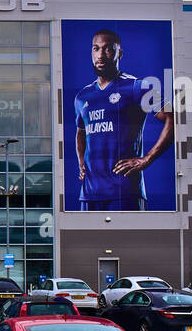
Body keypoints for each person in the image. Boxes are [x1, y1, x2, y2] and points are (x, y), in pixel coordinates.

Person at [73, 29, 174, 211]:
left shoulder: (137, 86)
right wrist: (82, 163)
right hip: (89, 194)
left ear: (119, 53)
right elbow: (81, 132)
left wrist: (146, 160)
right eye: (96, 49)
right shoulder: (82, 96)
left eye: (108, 49)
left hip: (124, 191)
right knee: (87, 241)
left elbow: (173, 118)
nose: (101, 55)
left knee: (129, 240)